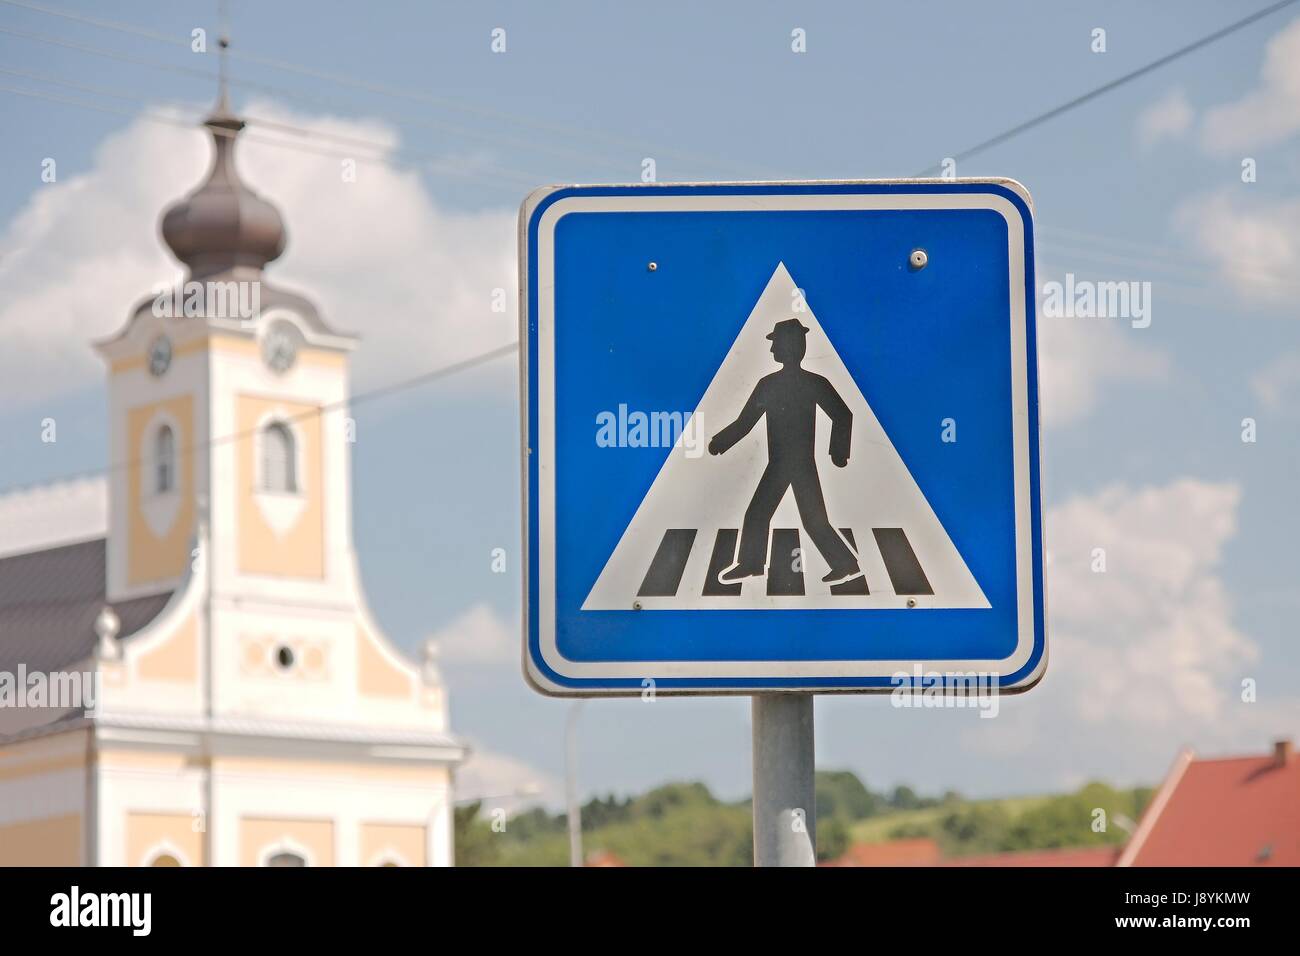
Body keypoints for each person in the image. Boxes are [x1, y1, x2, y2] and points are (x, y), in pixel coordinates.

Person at [708, 317, 861, 585]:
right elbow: (745, 423)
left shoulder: (807, 383)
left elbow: (842, 415)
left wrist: (838, 452)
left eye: (776, 344)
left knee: (804, 518)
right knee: (773, 515)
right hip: (782, 462)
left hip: (797, 463)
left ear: (790, 346)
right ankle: (752, 564)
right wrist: (720, 442)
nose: (771, 350)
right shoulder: (771, 384)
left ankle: (844, 564)